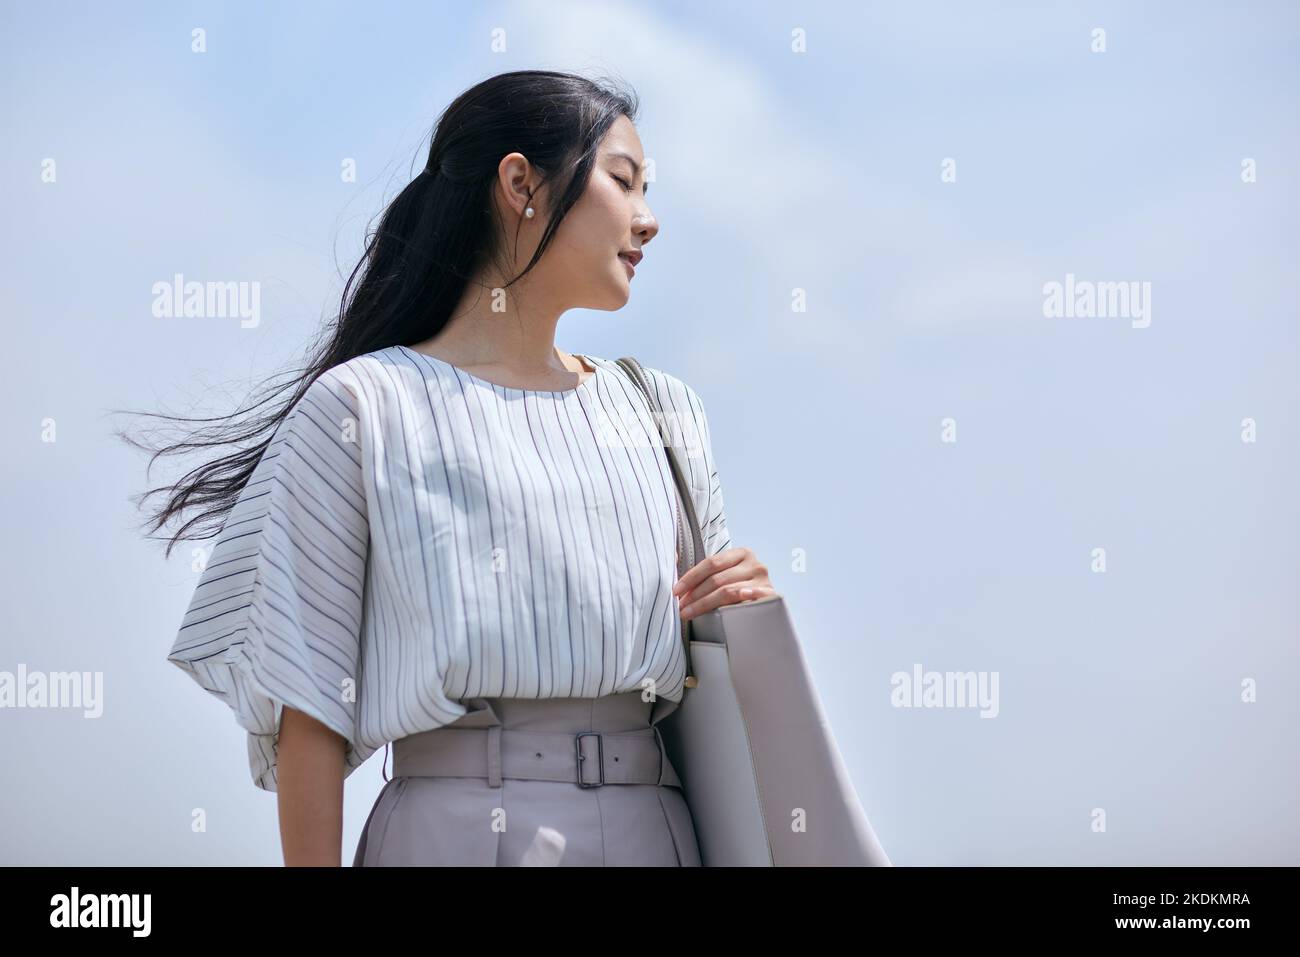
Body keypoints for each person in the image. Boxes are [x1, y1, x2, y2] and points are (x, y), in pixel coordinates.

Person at [148, 70, 775, 866]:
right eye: (624, 181)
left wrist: (745, 599)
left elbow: (712, 675)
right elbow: (310, 703)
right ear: (521, 184)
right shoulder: (364, 408)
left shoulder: (664, 411)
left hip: (658, 833)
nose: (648, 220)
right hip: (451, 835)